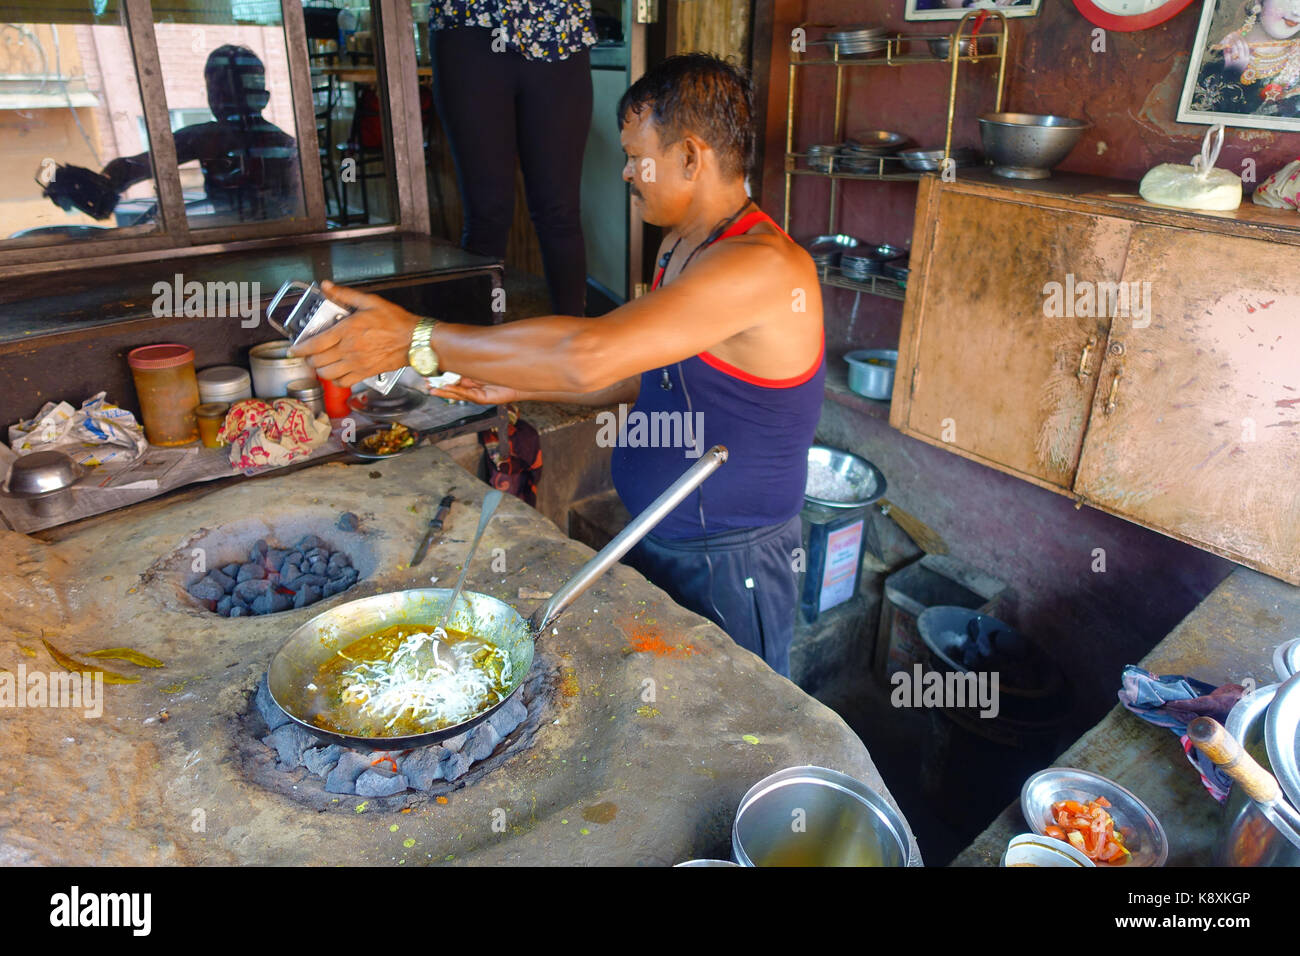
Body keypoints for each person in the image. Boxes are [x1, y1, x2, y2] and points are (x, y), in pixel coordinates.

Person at [292, 54, 825, 677]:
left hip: (733, 559)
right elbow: (637, 370)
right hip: (659, 531)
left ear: (689, 156)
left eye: (636, 156)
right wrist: (518, 377)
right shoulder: (684, 244)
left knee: (740, 728)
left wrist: (417, 337)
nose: (627, 172)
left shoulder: (763, 266)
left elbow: (588, 352)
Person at [428, 1, 596, 316]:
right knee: (487, 215)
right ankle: (480, 349)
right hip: (469, 24)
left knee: (560, 213)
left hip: (559, 29)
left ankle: (574, 343)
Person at [44, 45, 300, 225]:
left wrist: (102, 184)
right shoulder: (283, 143)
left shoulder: (211, 137)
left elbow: (133, 167)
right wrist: (101, 183)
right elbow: (137, 165)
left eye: (221, 92)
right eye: (216, 91)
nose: (218, 100)